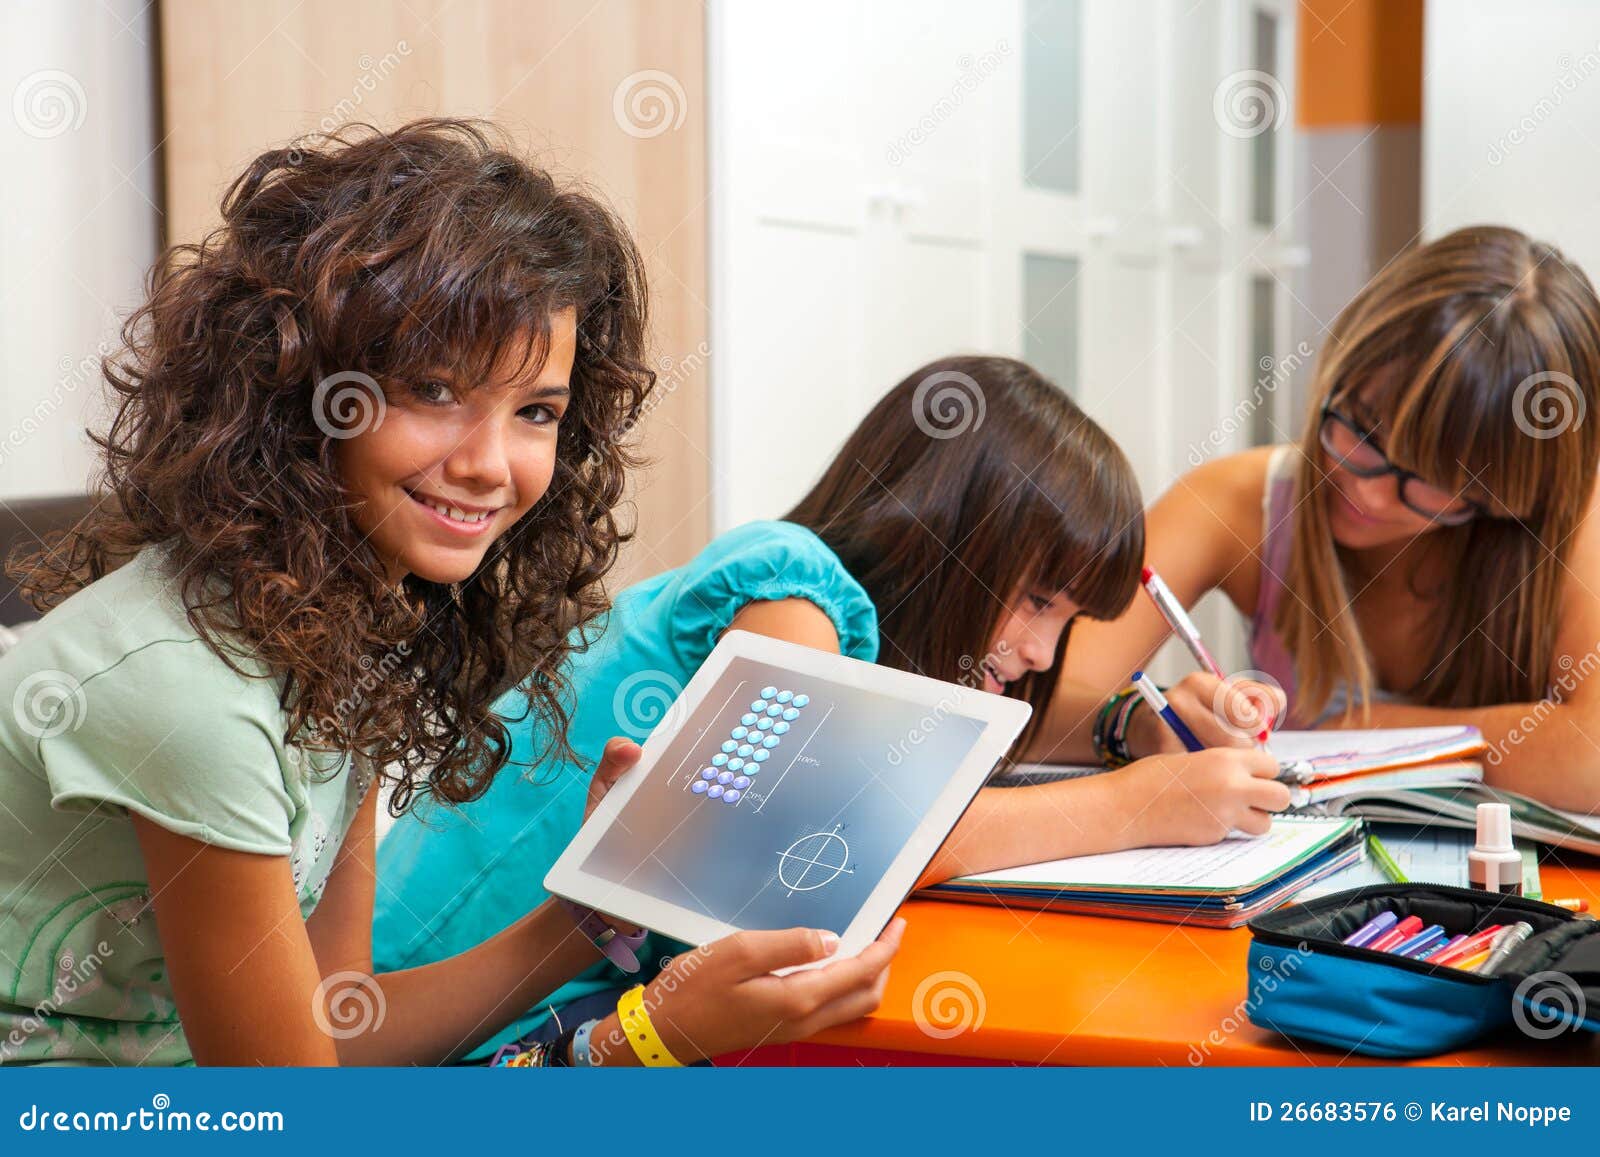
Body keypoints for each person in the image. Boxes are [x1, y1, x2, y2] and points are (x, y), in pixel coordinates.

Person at [0, 118, 898, 1067]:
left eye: (535, 412)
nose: (489, 465)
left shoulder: (331, 624)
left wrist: (589, 914)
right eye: (433, 390)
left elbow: (340, 1023)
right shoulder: (189, 691)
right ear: (298, 390)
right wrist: (636, 1045)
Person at [376, 355, 1286, 1057]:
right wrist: (1138, 805)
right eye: (1039, 600)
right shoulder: (792, 594)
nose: (1044, 652)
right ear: (944, 535)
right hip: (436, 1028)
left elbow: (953, 747)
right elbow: (822, 843)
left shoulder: (849, 637)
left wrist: (1134, 725)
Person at [1055, 225, 1600, 813]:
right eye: (1362, 429)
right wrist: (1134, 720)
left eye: (1432, 483)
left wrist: (1343, 730)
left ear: (1504, 499)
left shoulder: (1570, 522)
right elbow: (1045, 691)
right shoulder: (1237, 503)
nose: (1368, 492)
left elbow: (1588, 761)